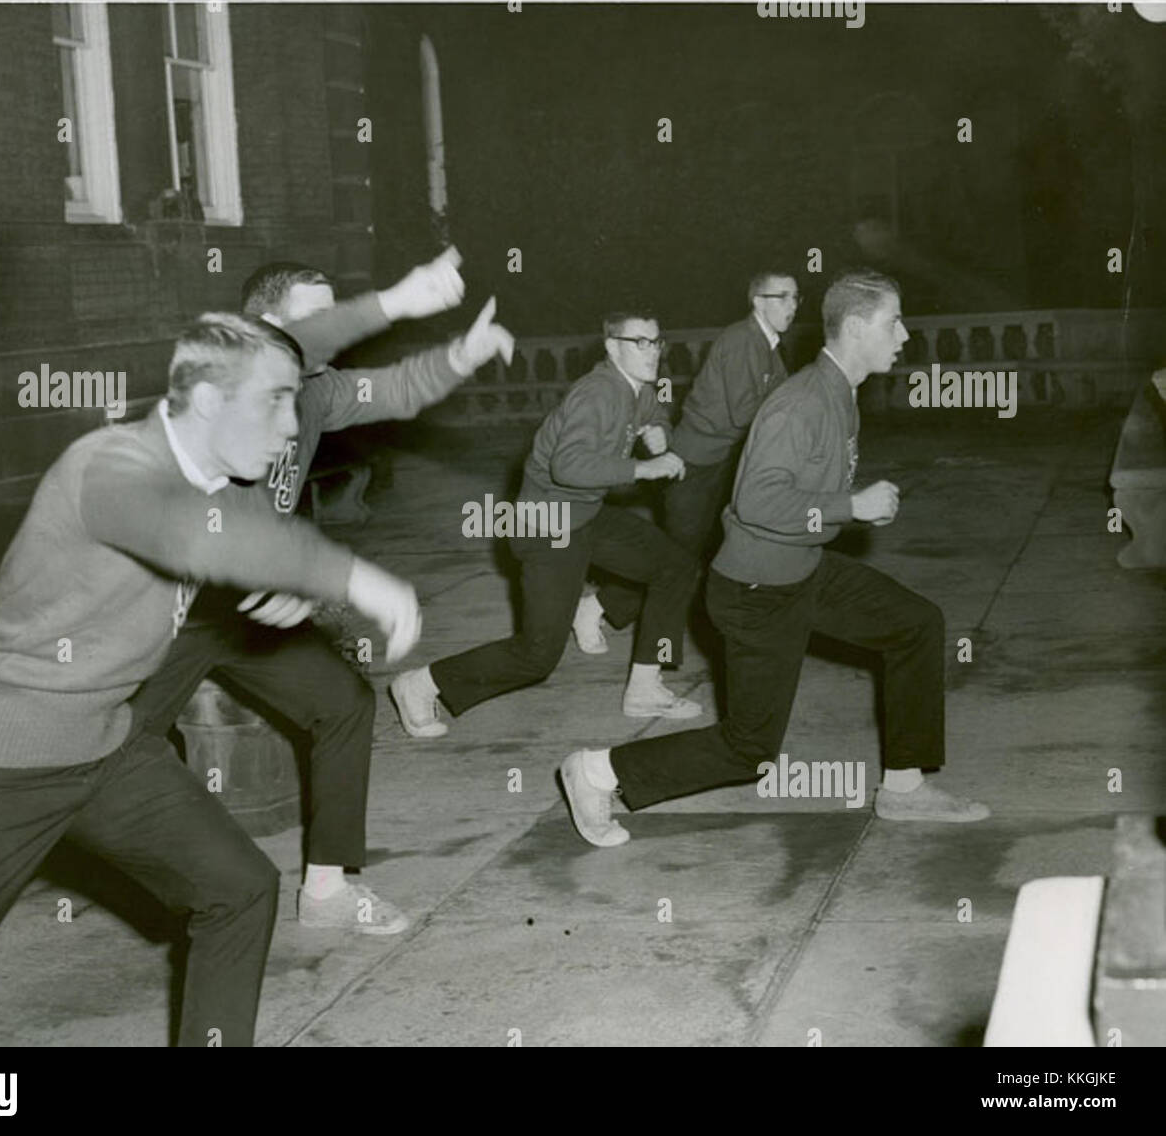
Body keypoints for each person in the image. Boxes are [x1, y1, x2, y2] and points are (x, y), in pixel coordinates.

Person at [0, 314, 423, 1047]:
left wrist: (277, 582)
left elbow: (239, 541)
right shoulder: (107, 465)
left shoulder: (223, 483)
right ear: (206, 400)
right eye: (274, 401)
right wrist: (355, 580)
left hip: (106, 748)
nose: (292, 426)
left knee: (241, 890)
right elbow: (189, 532)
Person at [128, 249, 514, 936]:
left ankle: (328, 888)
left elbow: (392, 389)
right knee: (85, 763)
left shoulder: (314, 391)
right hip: (165, 606)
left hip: (245, 603)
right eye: (321, 320)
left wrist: (464, 353)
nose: (336, 334)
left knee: (343, 704)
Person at [555, 271, 990, 848]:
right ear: (857, 328)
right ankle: (595, 772)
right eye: (894, 323)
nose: (905, 335)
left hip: (802, 569)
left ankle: (905, 789)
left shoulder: (839, 392)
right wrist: (850, 505)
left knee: (915, 624)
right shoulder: (803, 402)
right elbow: (756, 502)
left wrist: (839, 509)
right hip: (757, 592)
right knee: (749, 750)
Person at [390, 310, 704, 740]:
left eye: (656, 342)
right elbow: (569, 465)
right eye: (640, 343)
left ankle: (642, 683)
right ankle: (421, 684)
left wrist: (659, 432)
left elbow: (653, 412)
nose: (652, 352)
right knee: (536, 658)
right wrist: (645, 469)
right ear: (612, 347)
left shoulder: (636, 388)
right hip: (546, 525)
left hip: (584, 515)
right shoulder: (598, 393)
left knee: (676, 566)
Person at [573, 270, 798, 653]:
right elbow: (746, 412)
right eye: (783, 297)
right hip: (696, 464)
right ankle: (597, 609)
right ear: (759, 302)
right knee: (676, 559)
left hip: (723, 461)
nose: (792, 306)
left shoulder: (767, 345)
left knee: (706, 553)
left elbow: (780, 396)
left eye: (796, 298)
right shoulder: (743, 340)